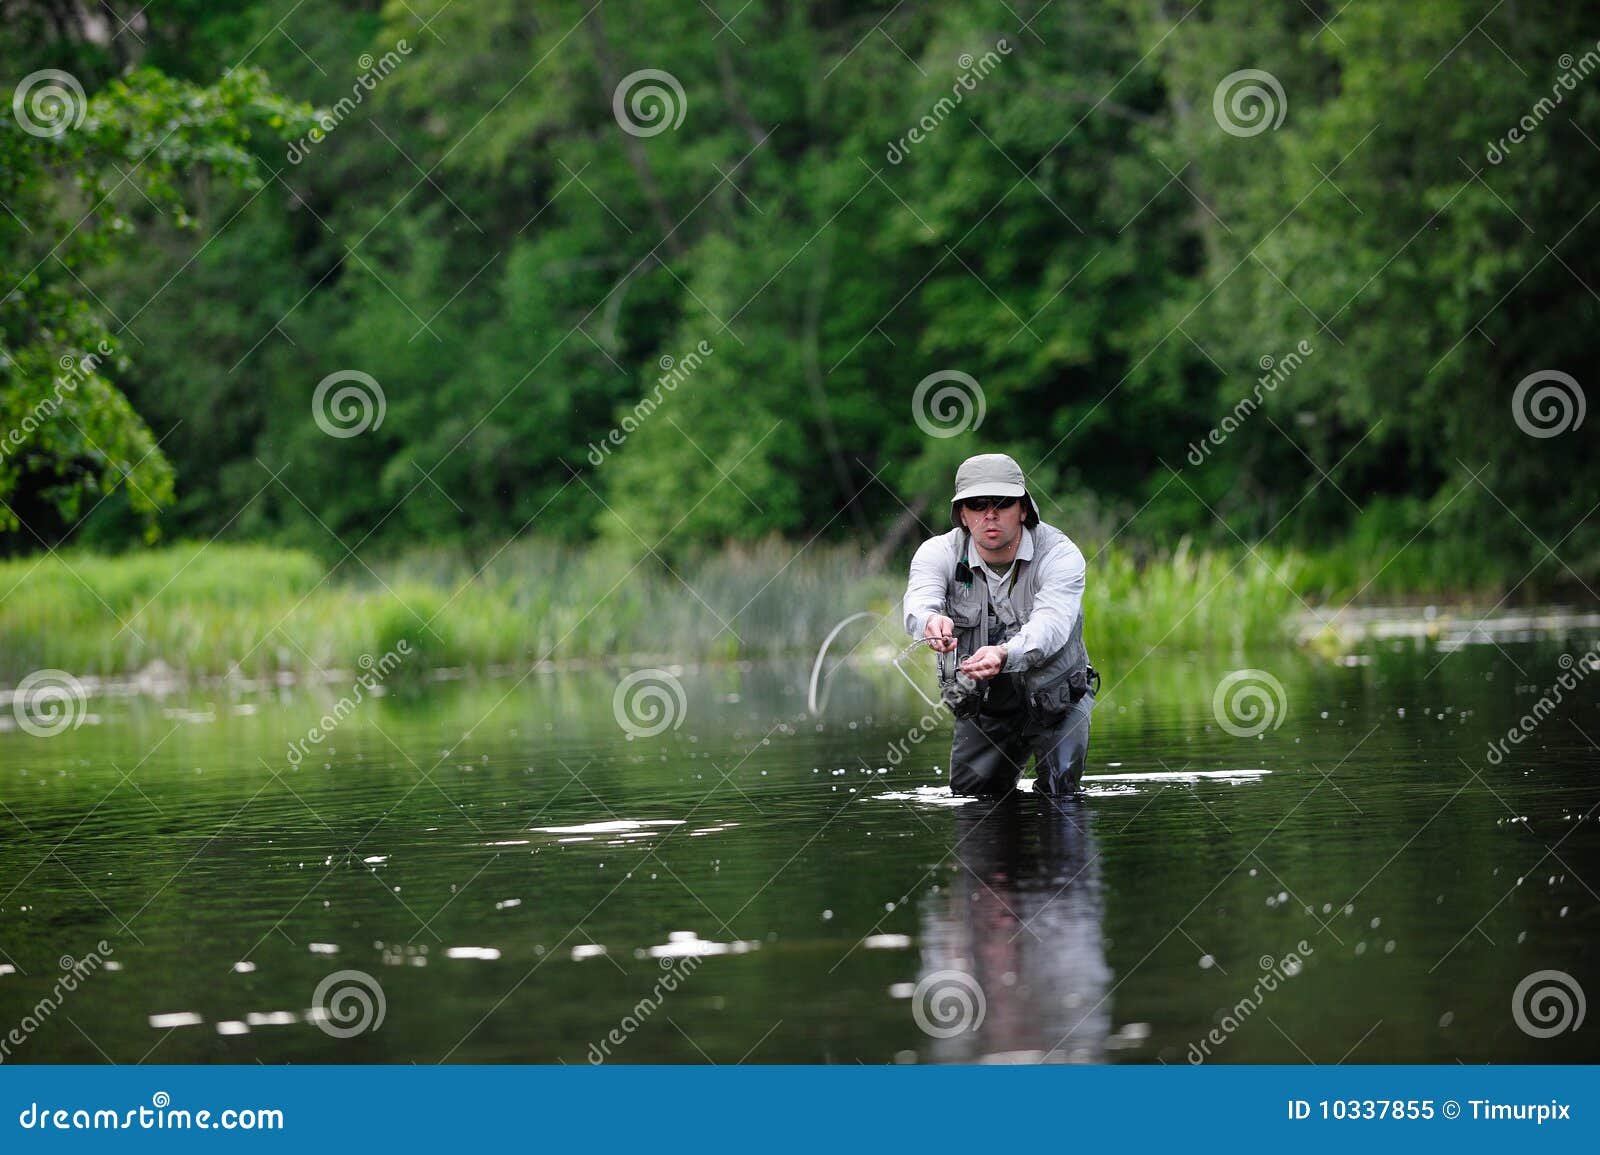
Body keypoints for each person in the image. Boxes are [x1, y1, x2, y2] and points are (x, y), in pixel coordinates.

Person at [902, 453, 1097, 797]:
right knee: (971, 800)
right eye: (977, 504)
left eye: (1003, 502)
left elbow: (1052, 624)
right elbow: (919, 602)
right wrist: (930, 621)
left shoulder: (1060, 555)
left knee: (1062, 798)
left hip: (1058, 702)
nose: (990, 514)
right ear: (963, 514)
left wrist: (1006, 654)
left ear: (1024, 509)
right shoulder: (938, 553)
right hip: (984, 709)